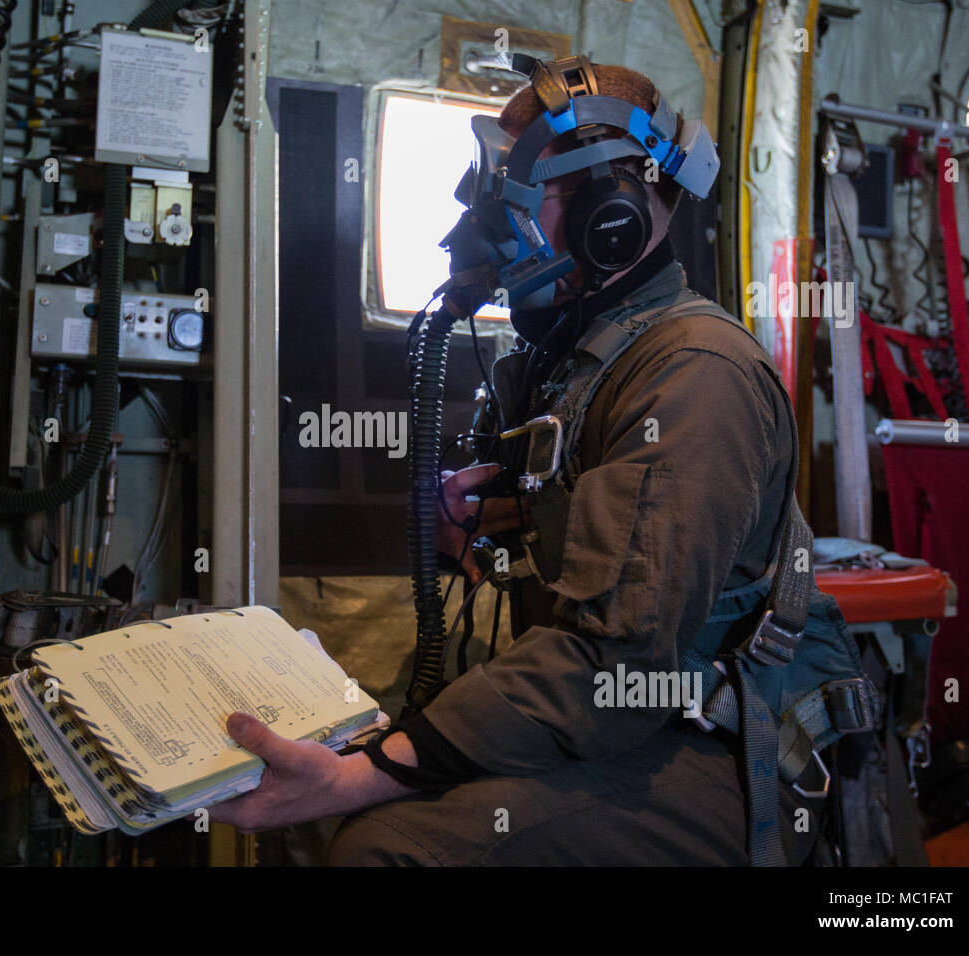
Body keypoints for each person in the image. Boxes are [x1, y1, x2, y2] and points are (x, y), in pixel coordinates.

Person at [210, 60, 820, 866]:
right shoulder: (578, 361)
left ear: (615, 213)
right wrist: (494, 532)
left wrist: (362, 779)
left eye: (517, 185)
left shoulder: (693, 373)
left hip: (707, 746)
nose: (489, 214)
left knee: (380, 845)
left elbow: (615, 664)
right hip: (607, 719)